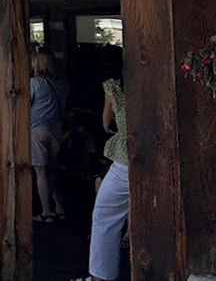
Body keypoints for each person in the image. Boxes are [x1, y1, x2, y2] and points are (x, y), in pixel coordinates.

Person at [72, 46, 128, 281]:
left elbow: (106, 123)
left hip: (126, 156)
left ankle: (100, 278)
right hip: (158, 154)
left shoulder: (113, 86)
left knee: (105, 213)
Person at [30, 46, 67, 223]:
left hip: (38, 130)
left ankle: (46, 211)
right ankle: (60, 207)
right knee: (54, 170)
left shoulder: (35, 83)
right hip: (57, 130)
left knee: (41, 171)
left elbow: (24, 105)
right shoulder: (62, 84)